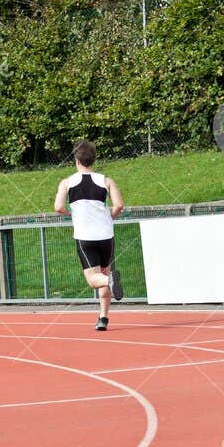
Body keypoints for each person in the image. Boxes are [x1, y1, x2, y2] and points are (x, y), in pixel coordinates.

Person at [54, 140, 125, 331]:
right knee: (105, 273)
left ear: (76, 160)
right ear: (94, 160)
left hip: (85, 237)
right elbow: (119, 205)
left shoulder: (67, 183)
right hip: (106, 236)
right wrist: (110, 216)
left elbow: (58, 207)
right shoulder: (106, 181)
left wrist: (72, 214)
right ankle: (103, 318)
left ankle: (109, 282)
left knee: (95, 279)